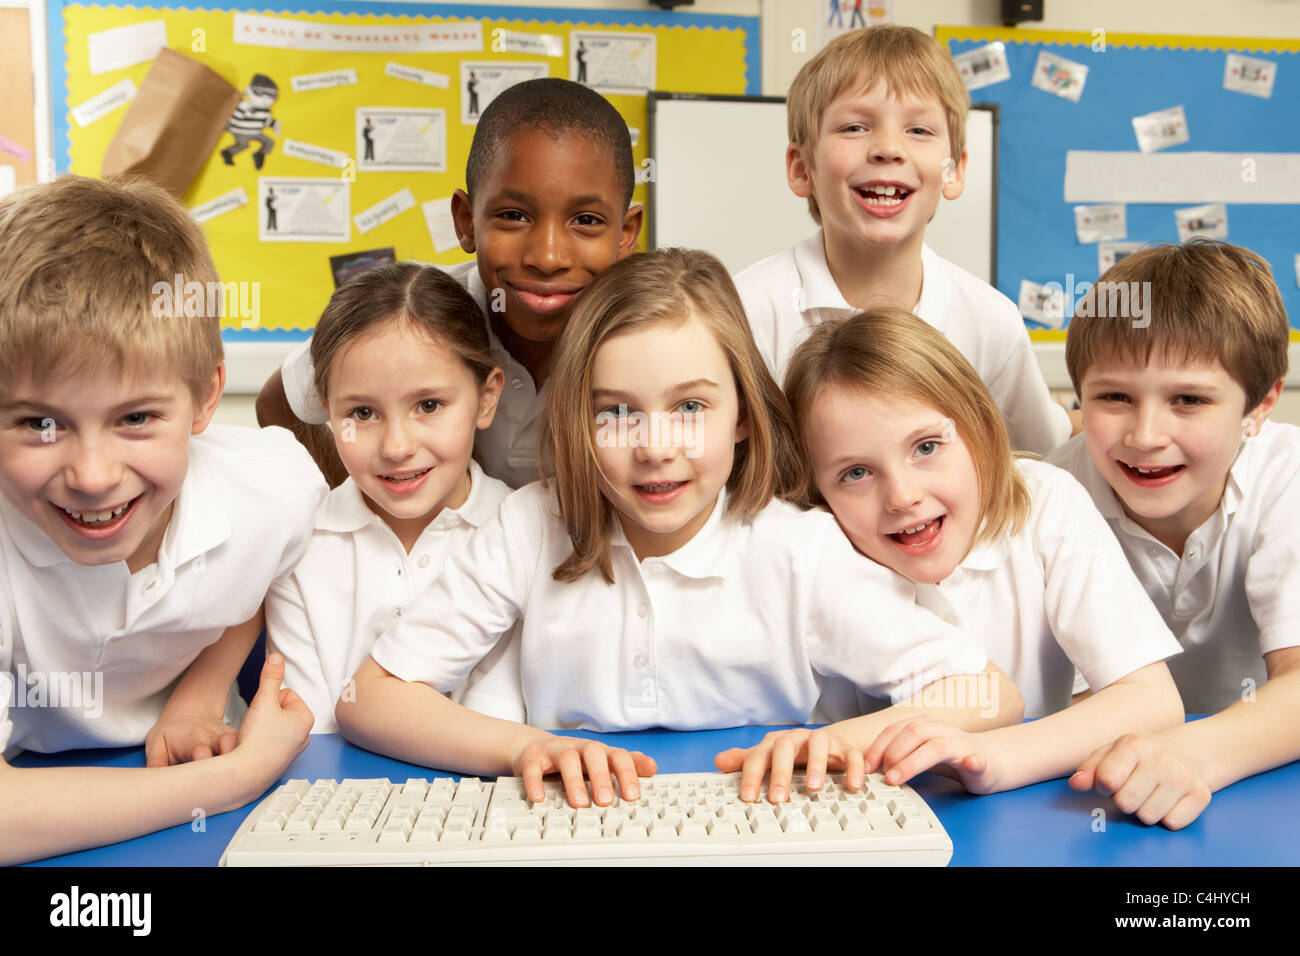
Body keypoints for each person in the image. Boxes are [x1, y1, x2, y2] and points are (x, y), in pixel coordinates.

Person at [336, 248, 1023, 809]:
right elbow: (370, 700)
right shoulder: (531, 525)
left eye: (690, 406)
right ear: (580, 421)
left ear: (744, 417)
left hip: (767, 820)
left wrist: (844, 740)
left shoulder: (796, 551)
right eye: (617, 412)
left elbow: (989, 695)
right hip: (579, 824)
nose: (655, 446)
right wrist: (520, 749)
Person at [717, 309, 1183, 801]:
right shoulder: (810, 547)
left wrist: (998, 757)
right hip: (856, 808)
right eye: (855, 473)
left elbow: (1151, 701)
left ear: (979, 428)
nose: (902, 496)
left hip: (1021, 807)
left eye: (926, 446)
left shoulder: (1046, 504)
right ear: (817, 493)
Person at [0, 176, 323, 864]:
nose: (92, 475)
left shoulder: (277, 486)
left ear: (206, 398)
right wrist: (237, 776)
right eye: (40, 423)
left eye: (136, 419)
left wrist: (200, 700)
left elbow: (265, 565)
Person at [256, 78, 643, 489]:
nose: (547, 258)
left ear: (625, 234)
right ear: (465, 221)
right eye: (514, 215)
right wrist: (366, 506)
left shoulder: (649, 336)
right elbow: (280, 403)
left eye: (586, 221)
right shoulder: (415, 312)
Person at [1047, 240, 1300, 829]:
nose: (1146, 434)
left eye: (1188, 399)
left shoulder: (1290, 476)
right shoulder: (1048, 493)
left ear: (1260, 404)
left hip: (1257, 776)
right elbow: (1077, 705)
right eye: (1114, 397)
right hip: (1096, 786)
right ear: (1078, 396)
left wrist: (1193, 753)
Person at [734, 25, 1072, 455]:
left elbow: (1037, 461)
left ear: (955, 171)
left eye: (919, 131)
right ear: (802, 168)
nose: (888, 148)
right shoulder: (745, 312)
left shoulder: (991, 324)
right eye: (855, 127)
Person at [266, 263, 524, 732]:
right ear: (328, 411)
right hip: (343, 800)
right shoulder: (298, 542)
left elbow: (502, 717)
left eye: (428, 406)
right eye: (362, 412)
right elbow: (306, 730)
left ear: (486, 399)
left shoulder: (525, 532)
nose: (397, 447)